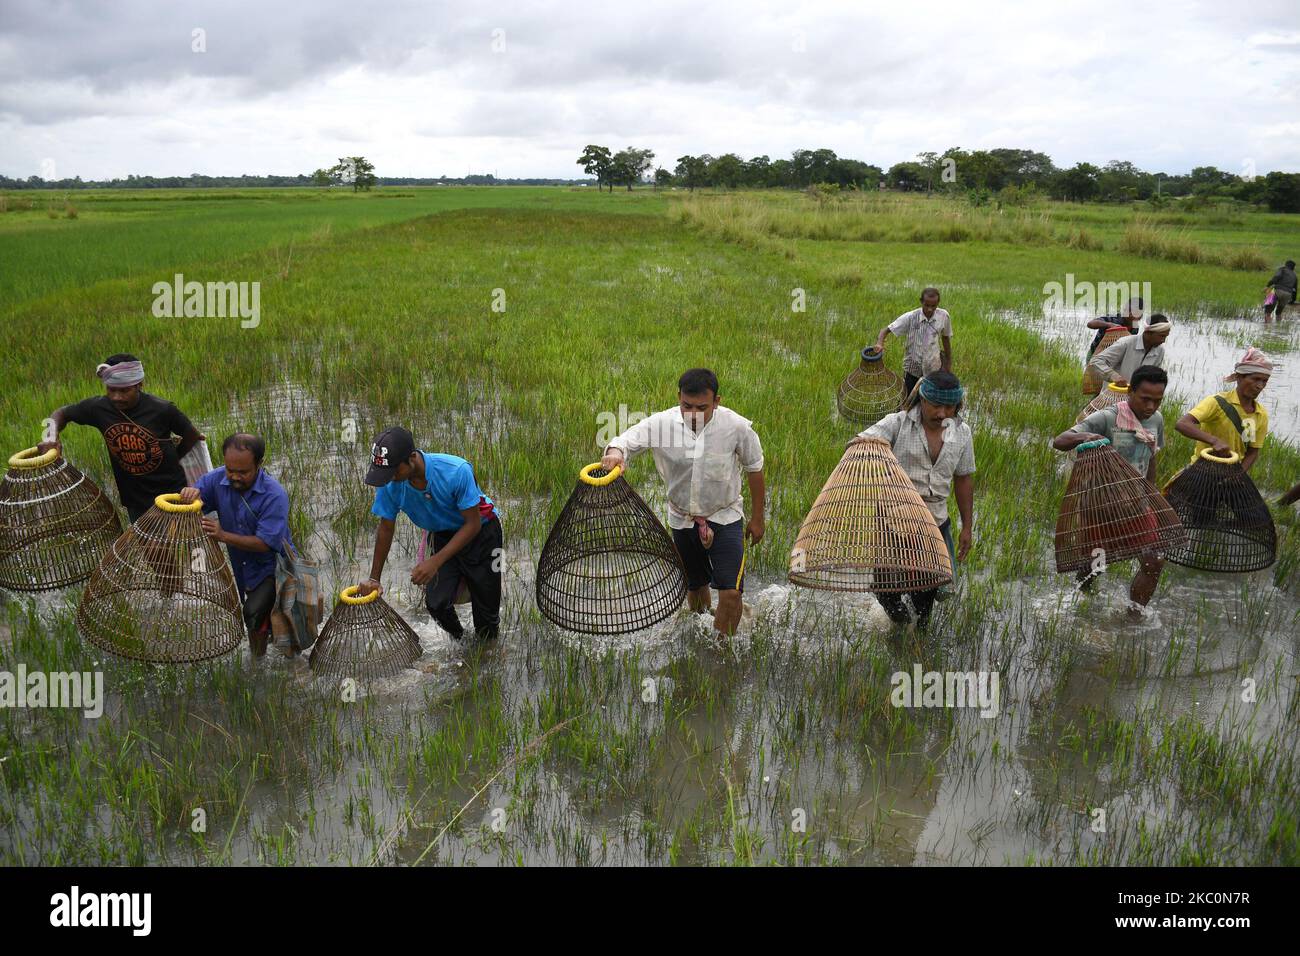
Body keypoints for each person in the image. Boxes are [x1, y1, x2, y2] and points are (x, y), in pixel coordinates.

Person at [601, 368, 766, 637]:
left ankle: (721, 652)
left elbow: (754, 469)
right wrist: (616, 453)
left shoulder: (736, 427)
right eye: (686, 406)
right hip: (683, 519)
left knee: (732, 593)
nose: (693, 414)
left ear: (717, 402)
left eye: (702, 408)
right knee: (696, 587)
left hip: (725, 516)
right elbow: (626, 441)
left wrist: (758, 518)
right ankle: (701, 635)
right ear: (679, 397)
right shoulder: (661, 424)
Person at [850, 370, 974, 630]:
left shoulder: (962, 433)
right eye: (936, 406)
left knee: (926, 593)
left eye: (949, 407)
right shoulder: (898, 423)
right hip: (895, 521)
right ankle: (900, 625)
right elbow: (859, 443)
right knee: (886, 591)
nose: (942, 414)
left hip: (934, 522)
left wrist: (967, 527)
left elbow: (963, 479)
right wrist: (868, 448)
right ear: (922, 399)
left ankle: (918, 634)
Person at [359, 427, 502, 642]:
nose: (389, 479)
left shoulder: (456, 471)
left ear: (412, 458)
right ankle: (462, 642)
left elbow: (472, 525)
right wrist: (374, 578)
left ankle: (486, 650)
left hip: (483, 535)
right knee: (436, 604)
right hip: (443, 534)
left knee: (487, 615)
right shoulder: (390, 483)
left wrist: (434, 561)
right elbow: (386, 527)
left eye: (394, 471)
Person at [1052, 365, 1169, 618]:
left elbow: (1151, 456)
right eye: (1145, 399)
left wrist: (1151, 493)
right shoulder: (1106, 418)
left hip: (1136, 506)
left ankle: (1134, 616)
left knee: (1154, 560)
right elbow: (1060, 441)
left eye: (1157, 400)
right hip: (1100, 509)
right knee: (1095, 566)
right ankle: (1082, 603)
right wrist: (1086, 437)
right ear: (1129, 392)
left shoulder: (1156, 420)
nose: (1151, 406)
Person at [37, 353, 204, 523]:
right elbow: (61, 413)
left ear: (139, 385)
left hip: (171, 492)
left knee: (176, 542)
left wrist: (176, 456)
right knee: (148, 547)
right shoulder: (99, 408)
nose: (117, 397)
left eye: (124, 390)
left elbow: (192, 435)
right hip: (135, 498)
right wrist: (50, 437)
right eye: (111, 390)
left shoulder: (162, 409)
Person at [178, 433, 293, 657]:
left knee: (253, 612)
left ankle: (258, 664)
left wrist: (222, 535)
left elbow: (265, 544)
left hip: (272, 567)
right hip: (242, 567)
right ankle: (263, 645)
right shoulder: (216, 479)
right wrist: (190, 497)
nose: (234, 477)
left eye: (243, 472)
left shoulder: (274, 495)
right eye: (230, 470)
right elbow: (198, 501)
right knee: (259, 617)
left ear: (259, 464)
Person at [1174, 347, 1270, 472]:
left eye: (1264, 381)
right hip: (1202, 471)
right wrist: (1214, 441)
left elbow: (1253, 452)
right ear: (1239, 377)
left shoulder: (1260, 414)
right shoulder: (1217, 402)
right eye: (1255, 379)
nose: (1259, 386)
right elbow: (1182, 424)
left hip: (1231, 473)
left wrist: (1238, 474)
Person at [870, 287, 953, 402]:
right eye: (926, 305)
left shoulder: (943, 316)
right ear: (921, 302)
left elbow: (945, 338)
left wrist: (948, 363)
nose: (929, 309)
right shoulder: (911, 317)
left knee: (930, 402)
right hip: (912, 370)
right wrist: (879, 343)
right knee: (908, 402)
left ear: (938, 303)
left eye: (933, 306)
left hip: (933, 368)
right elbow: (885, 330)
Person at [1088, 315, 1170, 388]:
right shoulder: (1126, 343)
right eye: (1161, 336)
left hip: (1137, 399)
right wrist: (1113, 376)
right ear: (1148, 332)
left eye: (1166, 336)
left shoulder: (1160, 351)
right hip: (1114, 395)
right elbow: (1096, 361)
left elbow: (1152, 377)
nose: (1163, 340)